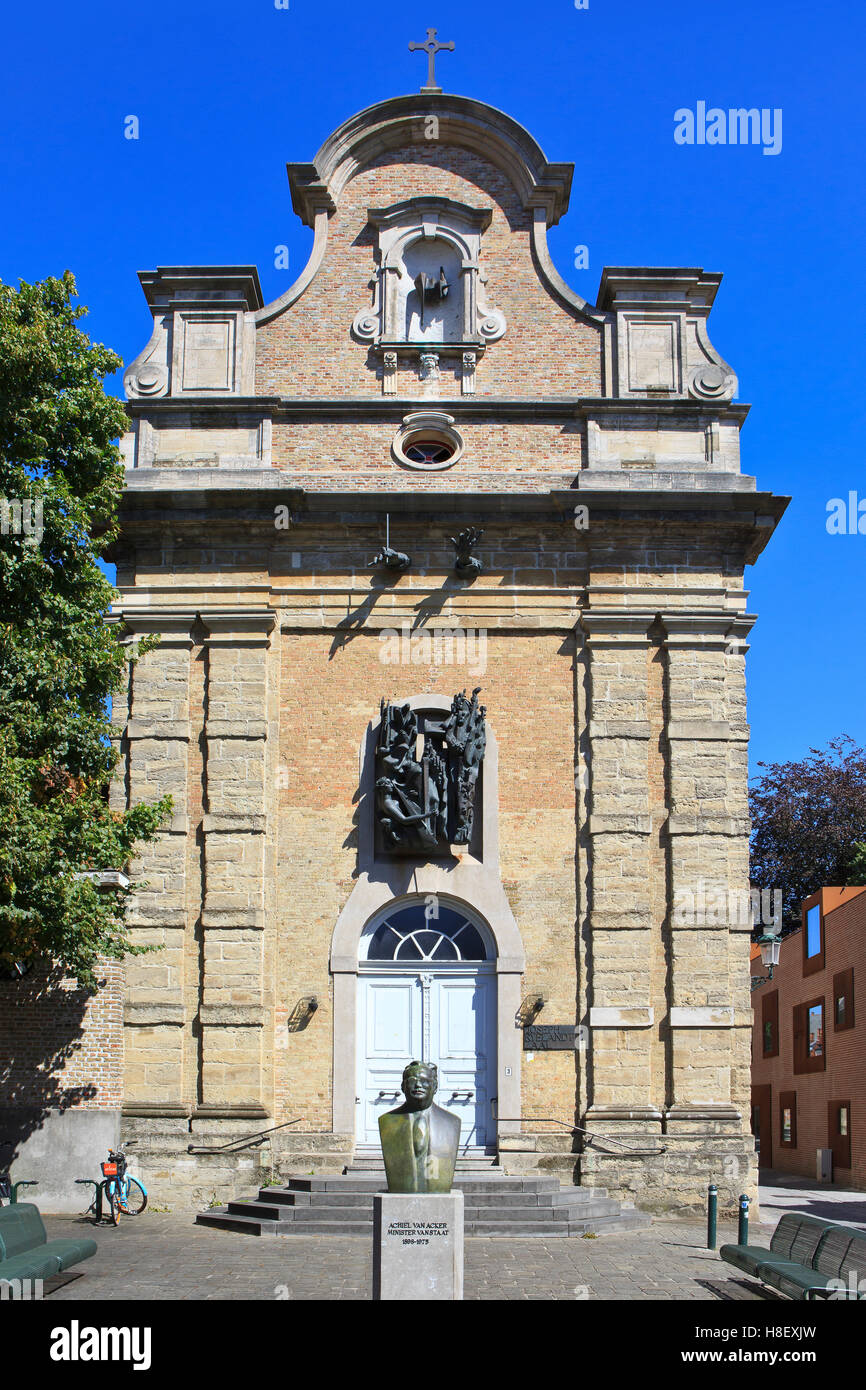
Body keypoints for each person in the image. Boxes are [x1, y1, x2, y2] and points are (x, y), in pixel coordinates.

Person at [378, 1061, 460, 1193]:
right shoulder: (387, 1122)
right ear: (403, 1086)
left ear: (435, 1086)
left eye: (424, 1080)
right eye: (412, 1081)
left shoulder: (452, 1122)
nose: (418, 1085)